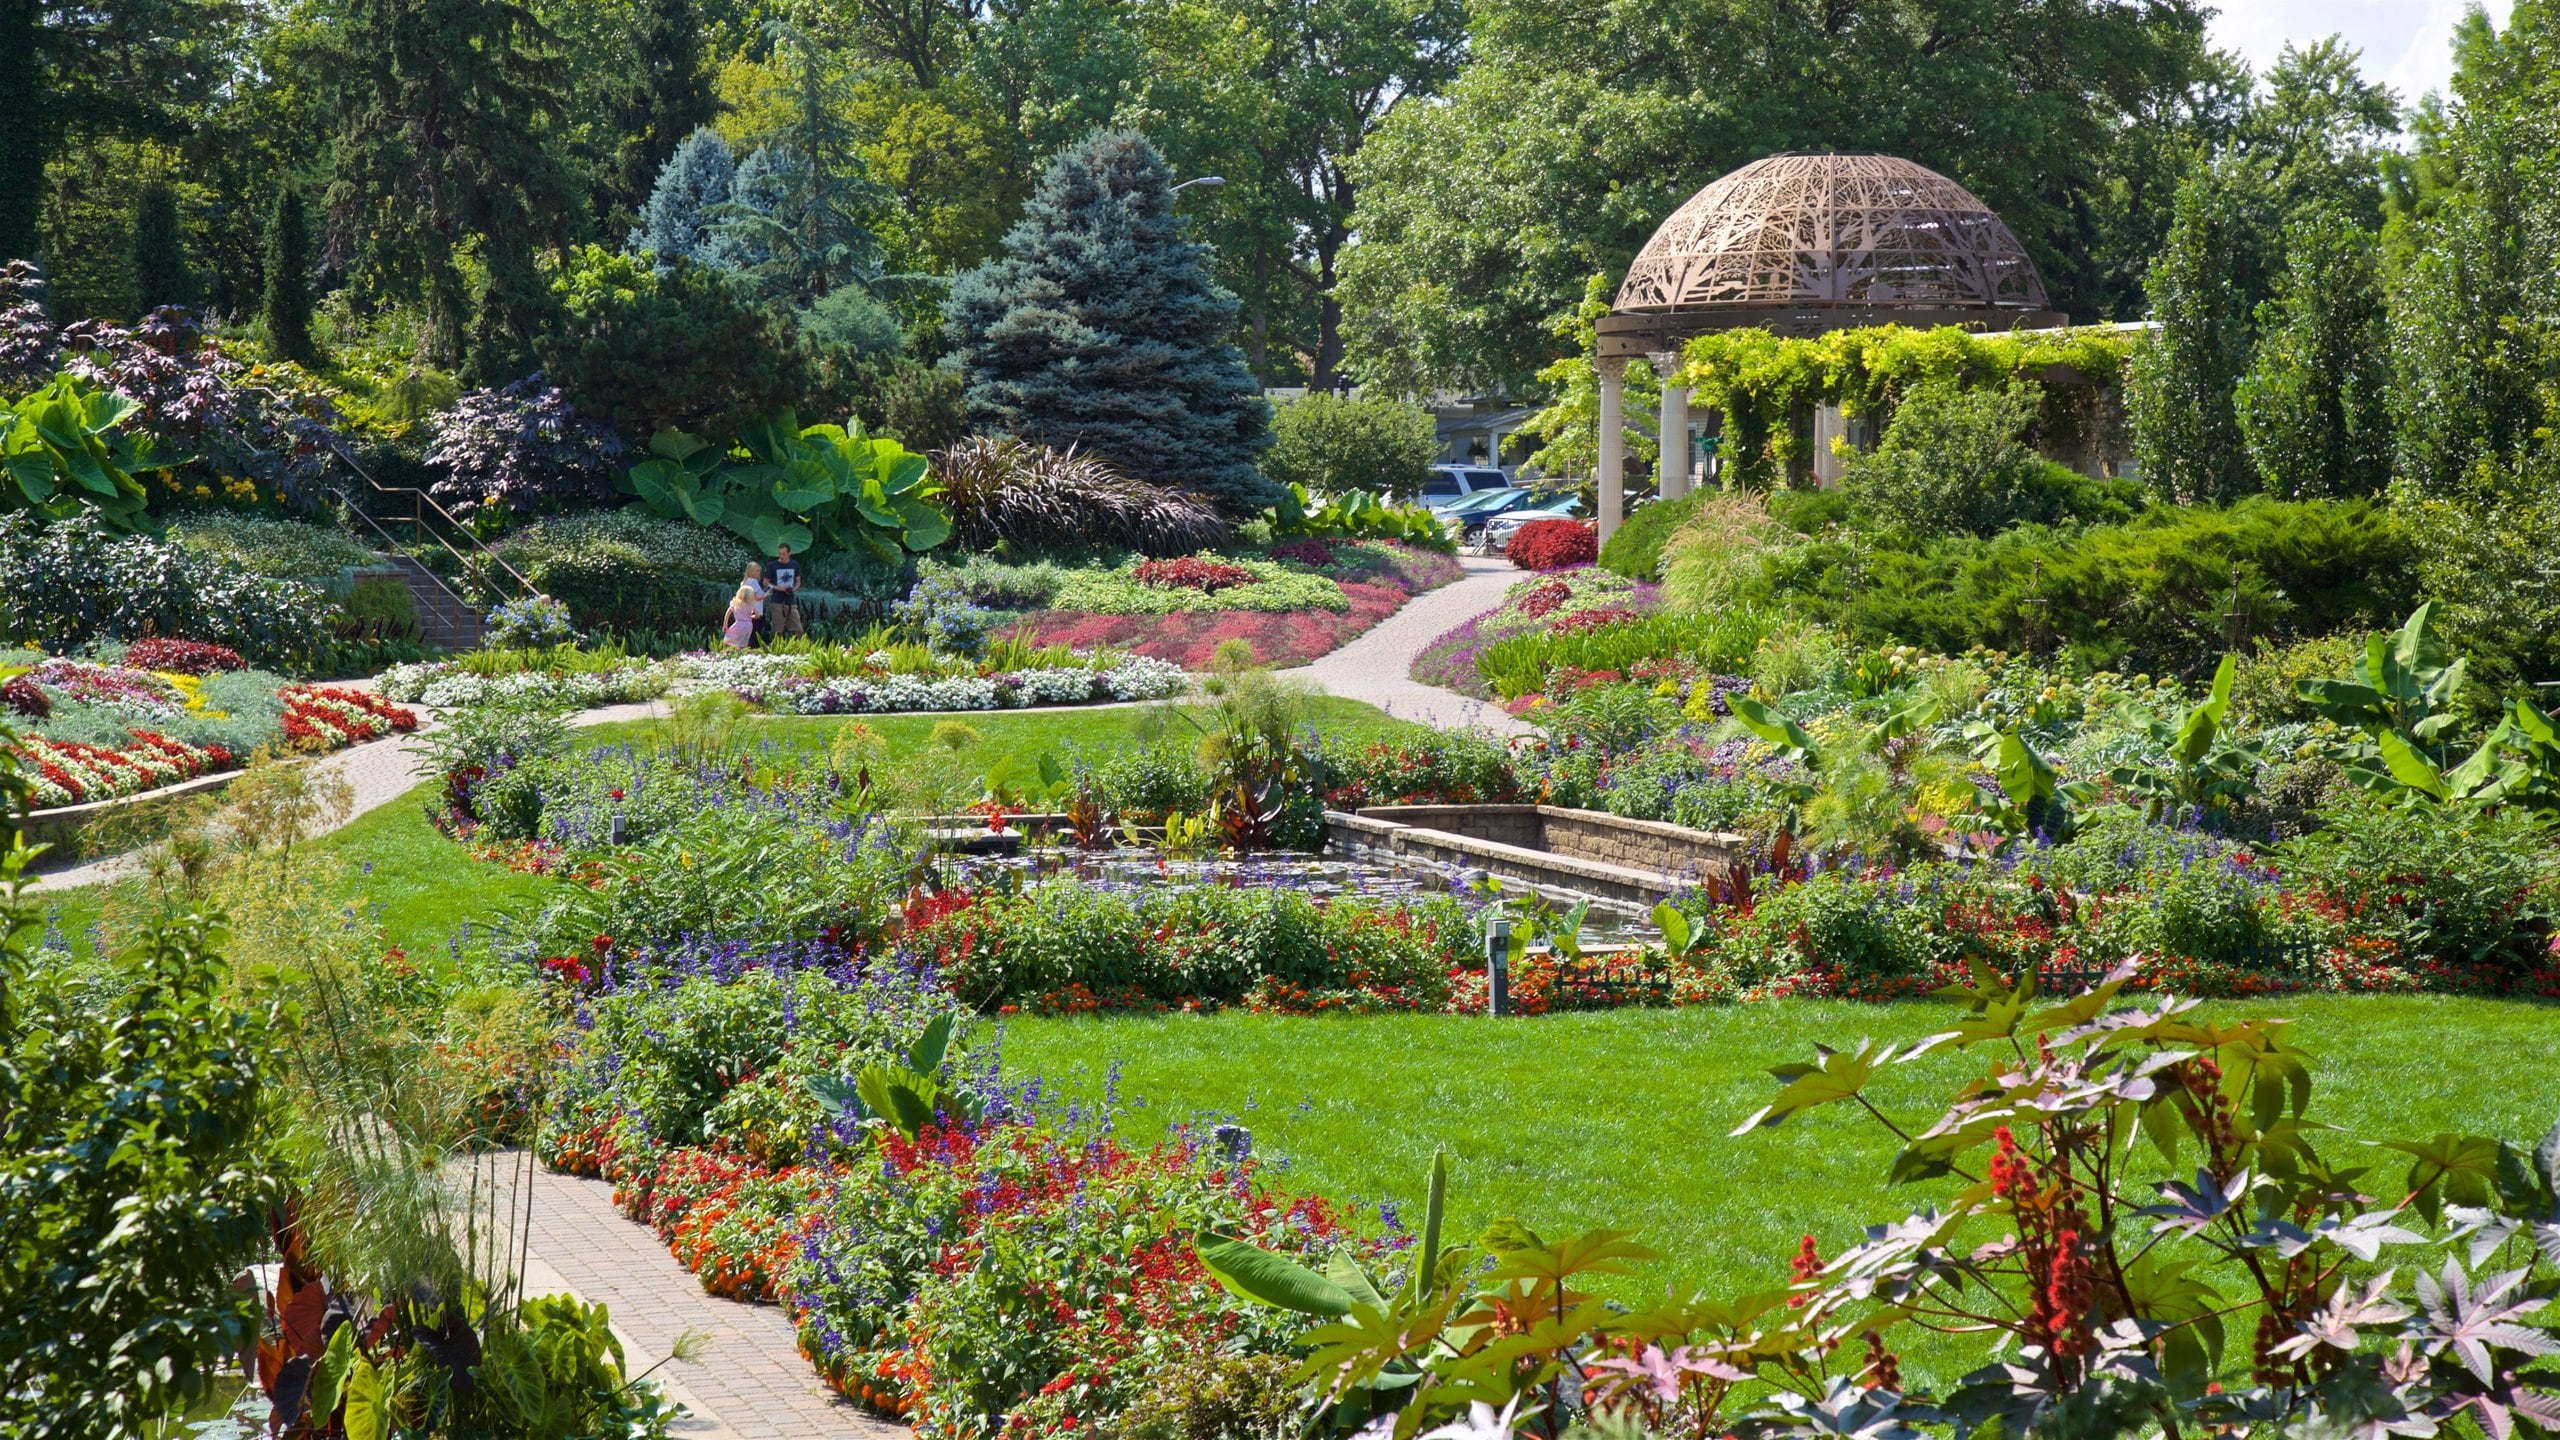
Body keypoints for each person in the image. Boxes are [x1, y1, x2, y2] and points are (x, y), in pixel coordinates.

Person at [767, 544, 805, 640]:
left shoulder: (794, 564)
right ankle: (778, 650)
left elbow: (798, 581)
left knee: (798, 628)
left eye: (783, 554)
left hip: (790, 600)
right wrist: (778, 588)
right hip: (776, 600)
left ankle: (800, 649)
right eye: (779, 554)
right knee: (778, 630)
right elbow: (766, 582)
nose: (781, 556)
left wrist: (793, 589)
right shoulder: (772, 565)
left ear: (789, 553)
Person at [719, 580, 761, 649]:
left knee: (729, 639)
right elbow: (757, 616)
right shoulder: (751, 605)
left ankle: (731, 652)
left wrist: (725, 624)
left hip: (739, 624)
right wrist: (750, 617)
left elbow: (728, 613)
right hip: (748, 625)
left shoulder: (735, 604)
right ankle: (741, 652)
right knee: (743, 642)